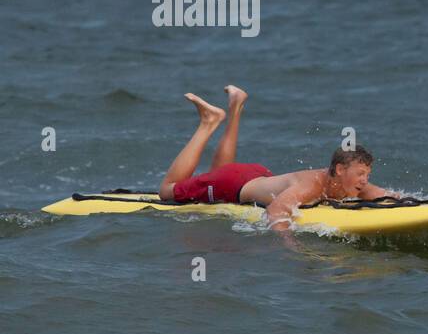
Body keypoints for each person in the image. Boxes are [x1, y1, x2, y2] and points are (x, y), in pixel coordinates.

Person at [158, 85, 397, 231]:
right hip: (234, 184)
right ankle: (207, 123)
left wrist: (415, 202)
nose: (365, 180)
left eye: (367, 175)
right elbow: (275, 212)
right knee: (167, 191)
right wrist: (291, 246)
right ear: (340, 169)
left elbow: (385, 195)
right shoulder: (311, 185)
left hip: (254, 177)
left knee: (219, 171)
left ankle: (236, 106)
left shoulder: (349, 182)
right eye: (361, 174)